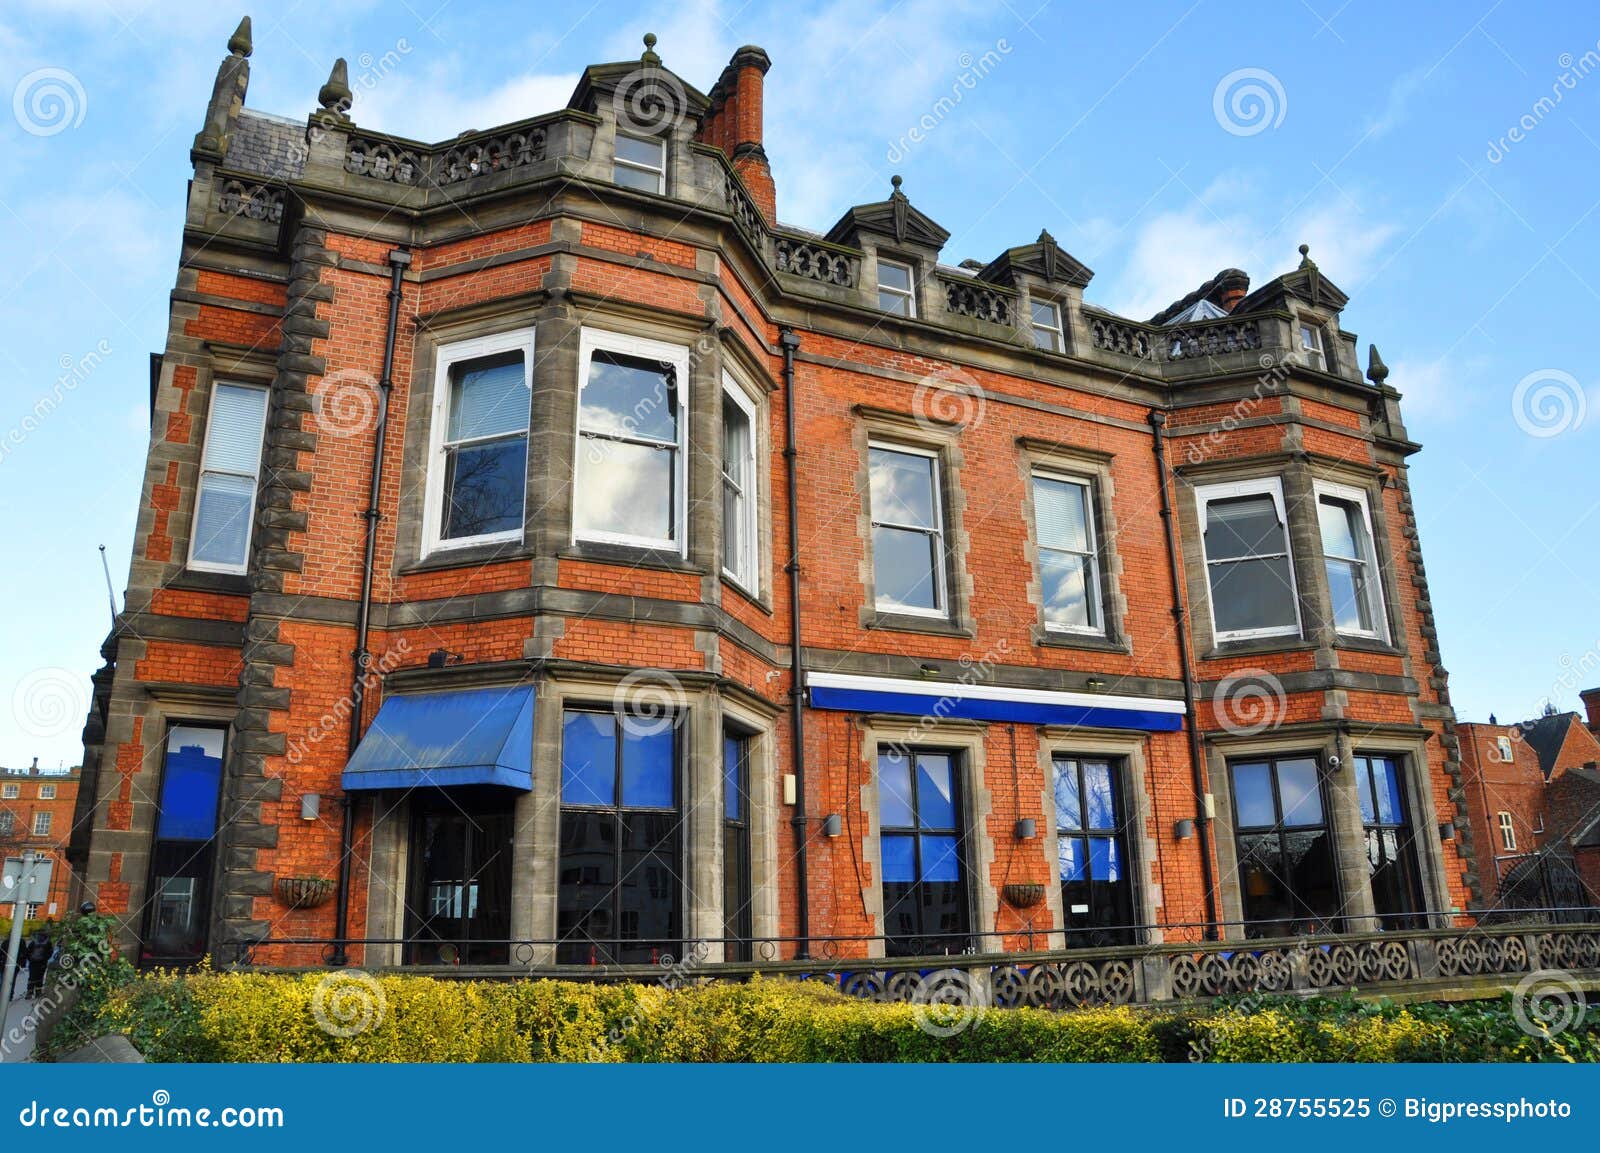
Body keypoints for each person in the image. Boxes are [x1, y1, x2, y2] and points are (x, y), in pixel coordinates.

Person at [24, 930, 51, 998]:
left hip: (33, 962)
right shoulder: (48, 943)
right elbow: (50, 953)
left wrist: (30, 959)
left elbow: (27, 952)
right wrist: (45, 959)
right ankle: (38, 992)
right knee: (40, 977)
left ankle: (29, 992)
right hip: (42, 963)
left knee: (31, 977)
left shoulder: (33, 942)